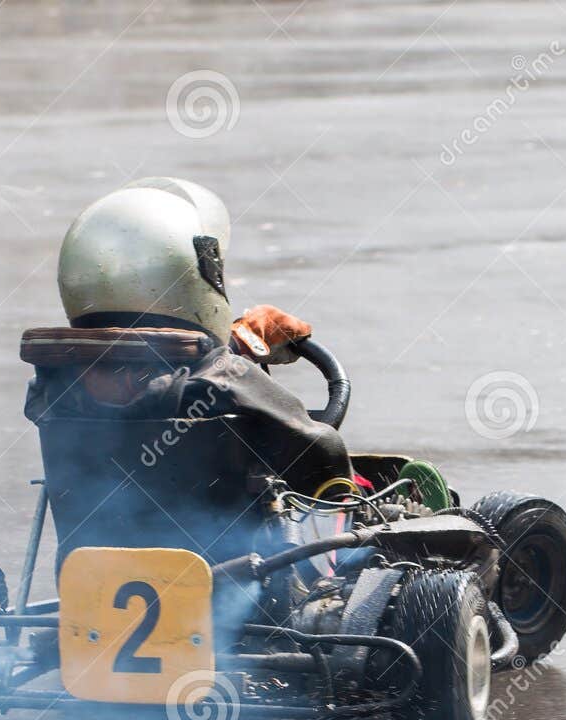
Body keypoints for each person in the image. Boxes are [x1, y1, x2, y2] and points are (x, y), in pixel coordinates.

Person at [23, 177, 350, 496]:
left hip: (93, 547)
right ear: (192, 278)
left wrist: (234, 346)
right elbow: (324, 462)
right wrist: (227, 360)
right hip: (231, 550)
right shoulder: (225, 381)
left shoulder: (56, 387)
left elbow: (146, 370)